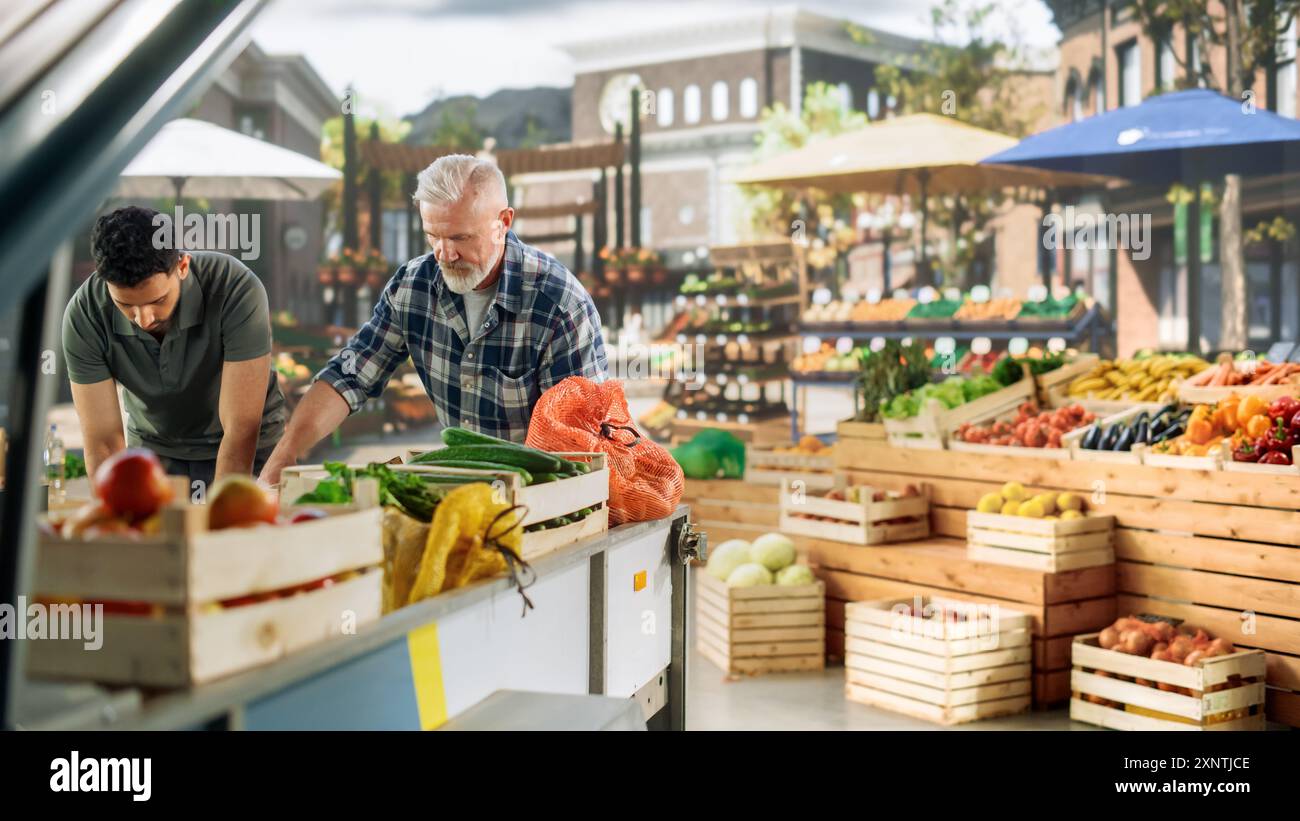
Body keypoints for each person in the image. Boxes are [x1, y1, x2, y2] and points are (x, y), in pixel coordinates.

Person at [259, 154, 607, 485]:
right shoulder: (413, 287)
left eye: (460, 237)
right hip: (456, 487)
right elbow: (350, 376)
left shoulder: (559, 305)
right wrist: (285, 454)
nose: (445, 254)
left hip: (546, 497)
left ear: (503, 223)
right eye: (433, 236)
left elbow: (578, 452)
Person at [62, 206, 285, 488]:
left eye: (157, 301)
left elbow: (240, 430)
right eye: (126, 305)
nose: (143, 320)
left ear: (182, 266)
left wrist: (221, 513)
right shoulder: (85, 314)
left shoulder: (235, 289)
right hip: (155, 454)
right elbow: (104, 442)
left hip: (250, 450)